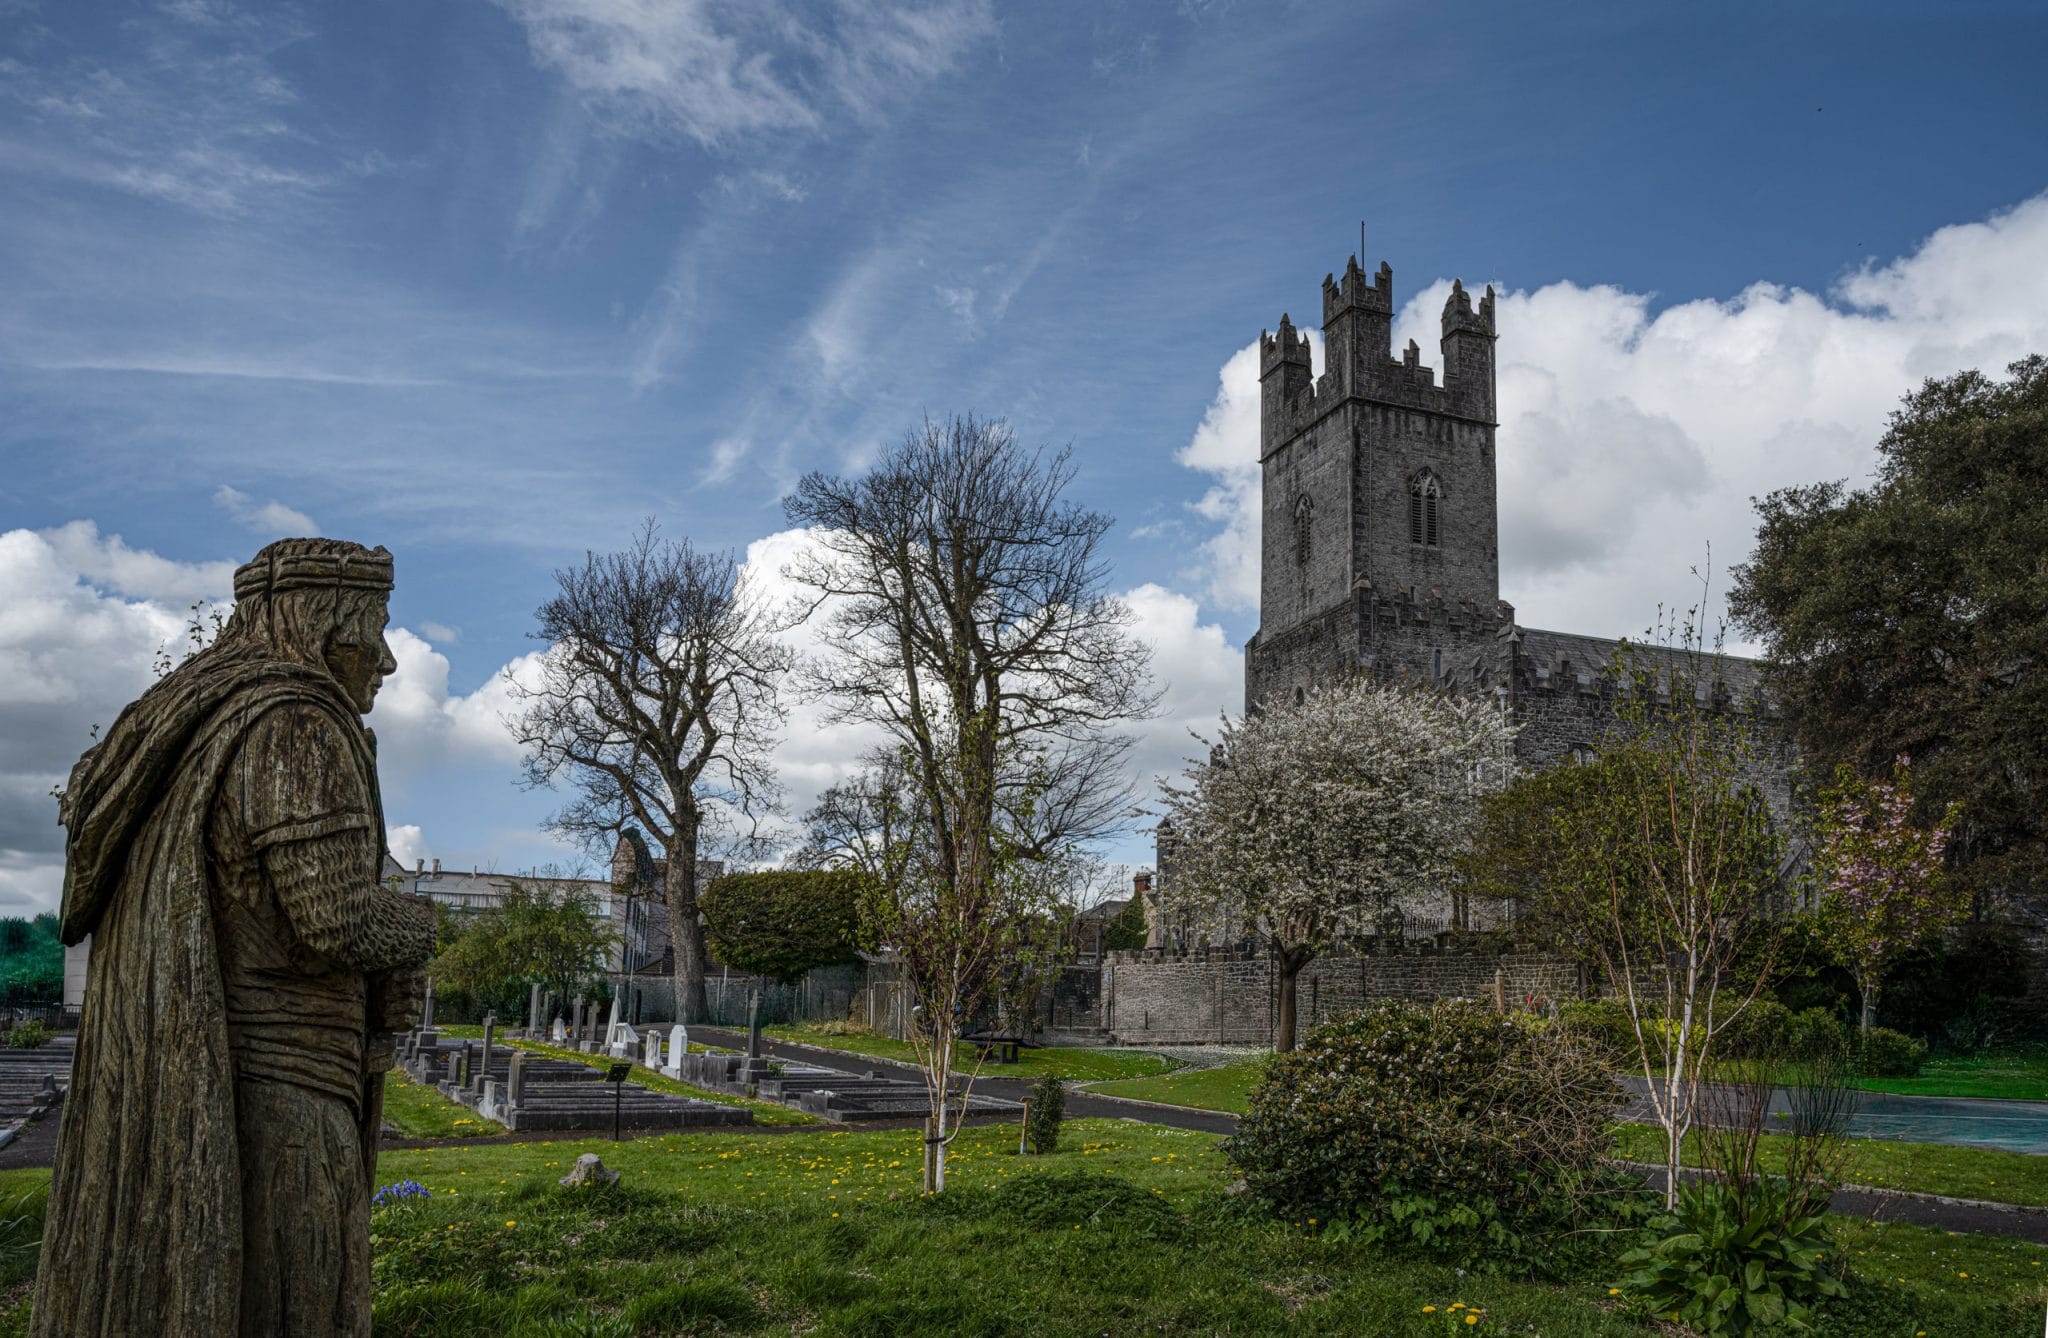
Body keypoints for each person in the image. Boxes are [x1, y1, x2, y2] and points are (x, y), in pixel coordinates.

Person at [33, 538, 436, 1337]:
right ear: (326, 625)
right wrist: (424, 926)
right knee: (294, 1288)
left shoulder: (192, 718)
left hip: (220, 1061)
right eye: (376, 627)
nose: (386, 660)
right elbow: (339, 919)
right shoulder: (296, 725)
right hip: (281, 1081)